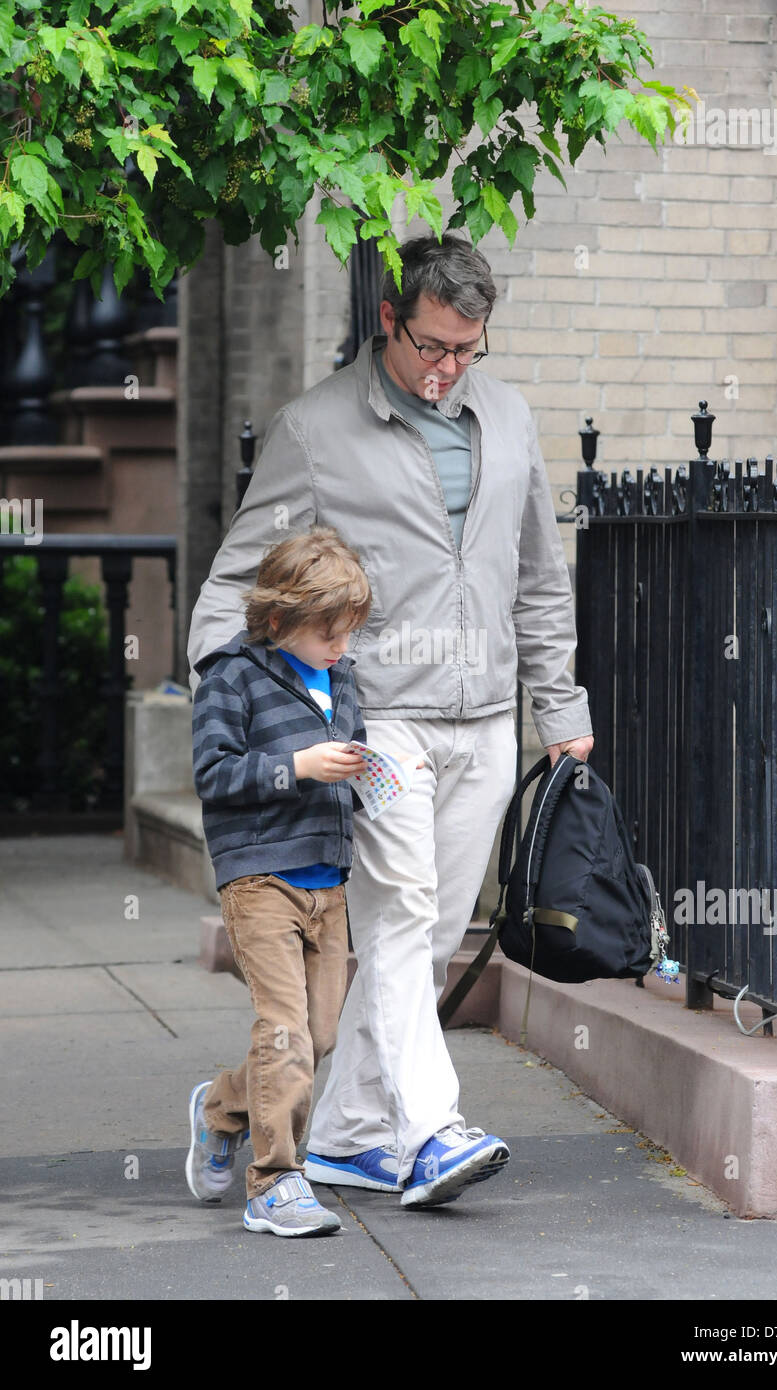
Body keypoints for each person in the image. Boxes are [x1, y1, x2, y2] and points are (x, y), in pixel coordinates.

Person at [187, 233, 594, 1211]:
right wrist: (239, 704)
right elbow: (240, 581)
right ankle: (429, 1124)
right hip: (384, 723)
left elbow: (537, 577)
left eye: (468, 349)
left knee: (427, 932)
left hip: (485, 720)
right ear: (388, 322)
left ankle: (335, 1134)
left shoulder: (505, 416)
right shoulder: (318, 430)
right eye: (432, 346)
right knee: (403, 911)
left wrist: (562, 710)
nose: (449, 368)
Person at [185, 527, 370, 1236]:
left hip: (329, 879)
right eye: (328, 632)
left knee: (318, 1036)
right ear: (275, 620)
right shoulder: (230, 675)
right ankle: (274, 1183)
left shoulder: (342, 677)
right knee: (285, 1032)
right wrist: (297, 766)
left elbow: (346, 760)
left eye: (348, 631)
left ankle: (222, 1106)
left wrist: (375, 776)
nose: (340, 647)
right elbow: (213, 775)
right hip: (261, 879)